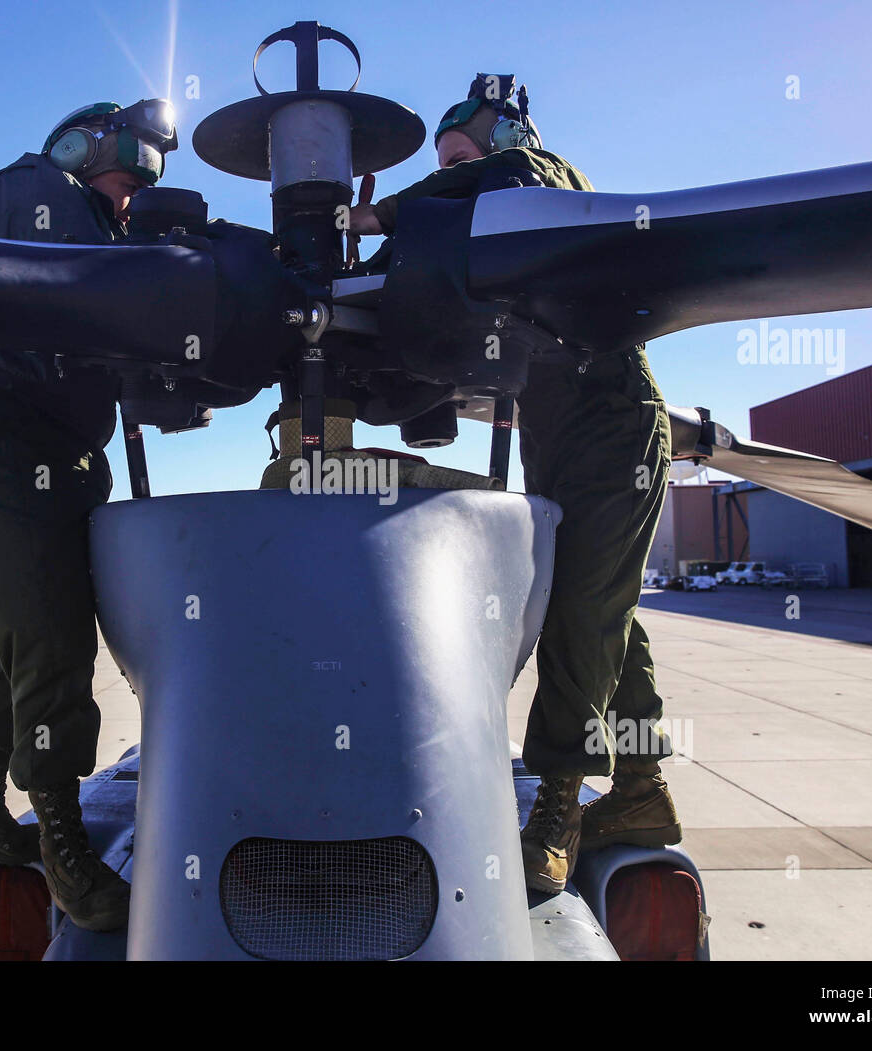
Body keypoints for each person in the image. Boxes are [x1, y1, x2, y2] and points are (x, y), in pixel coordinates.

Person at [350, 77, 681, 893]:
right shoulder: (485, 223)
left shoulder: (541, 175)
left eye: (460, 149)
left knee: (581, 618)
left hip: (615, 427)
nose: (448, 160)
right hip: (562, 437)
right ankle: (641, 790)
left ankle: (557, 811)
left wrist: (378, 215)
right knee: (605, 612)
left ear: (504, 134)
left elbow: (490, 181)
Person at [0, 99, 177, 931]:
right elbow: (13, 225)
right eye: (129, 172)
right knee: (54, 644)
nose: (136, 194)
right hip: (11, 445)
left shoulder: (96, 234)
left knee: (35, 631)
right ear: (79, 150)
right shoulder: (31, 191)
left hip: (70, 455)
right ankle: (66, 850)